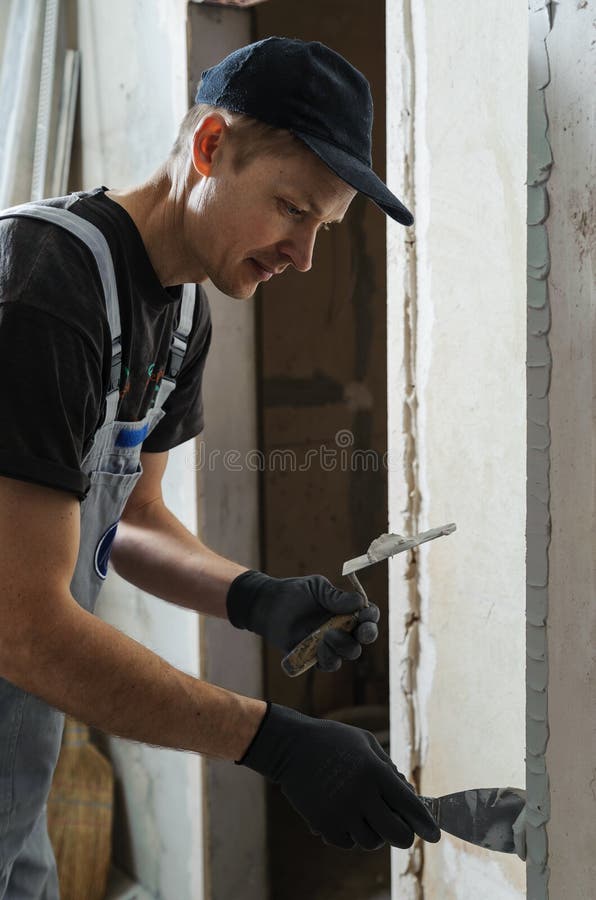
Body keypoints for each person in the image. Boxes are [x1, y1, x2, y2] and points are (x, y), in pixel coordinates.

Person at [0, 36, 440, 898]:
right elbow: (23, 623)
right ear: (210, 148)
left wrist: (254, 596)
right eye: (291, 208)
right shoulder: (44, 291)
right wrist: (271, 739)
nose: (303, 255)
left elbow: (127, 517)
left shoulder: (180, 316)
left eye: (322, 225)